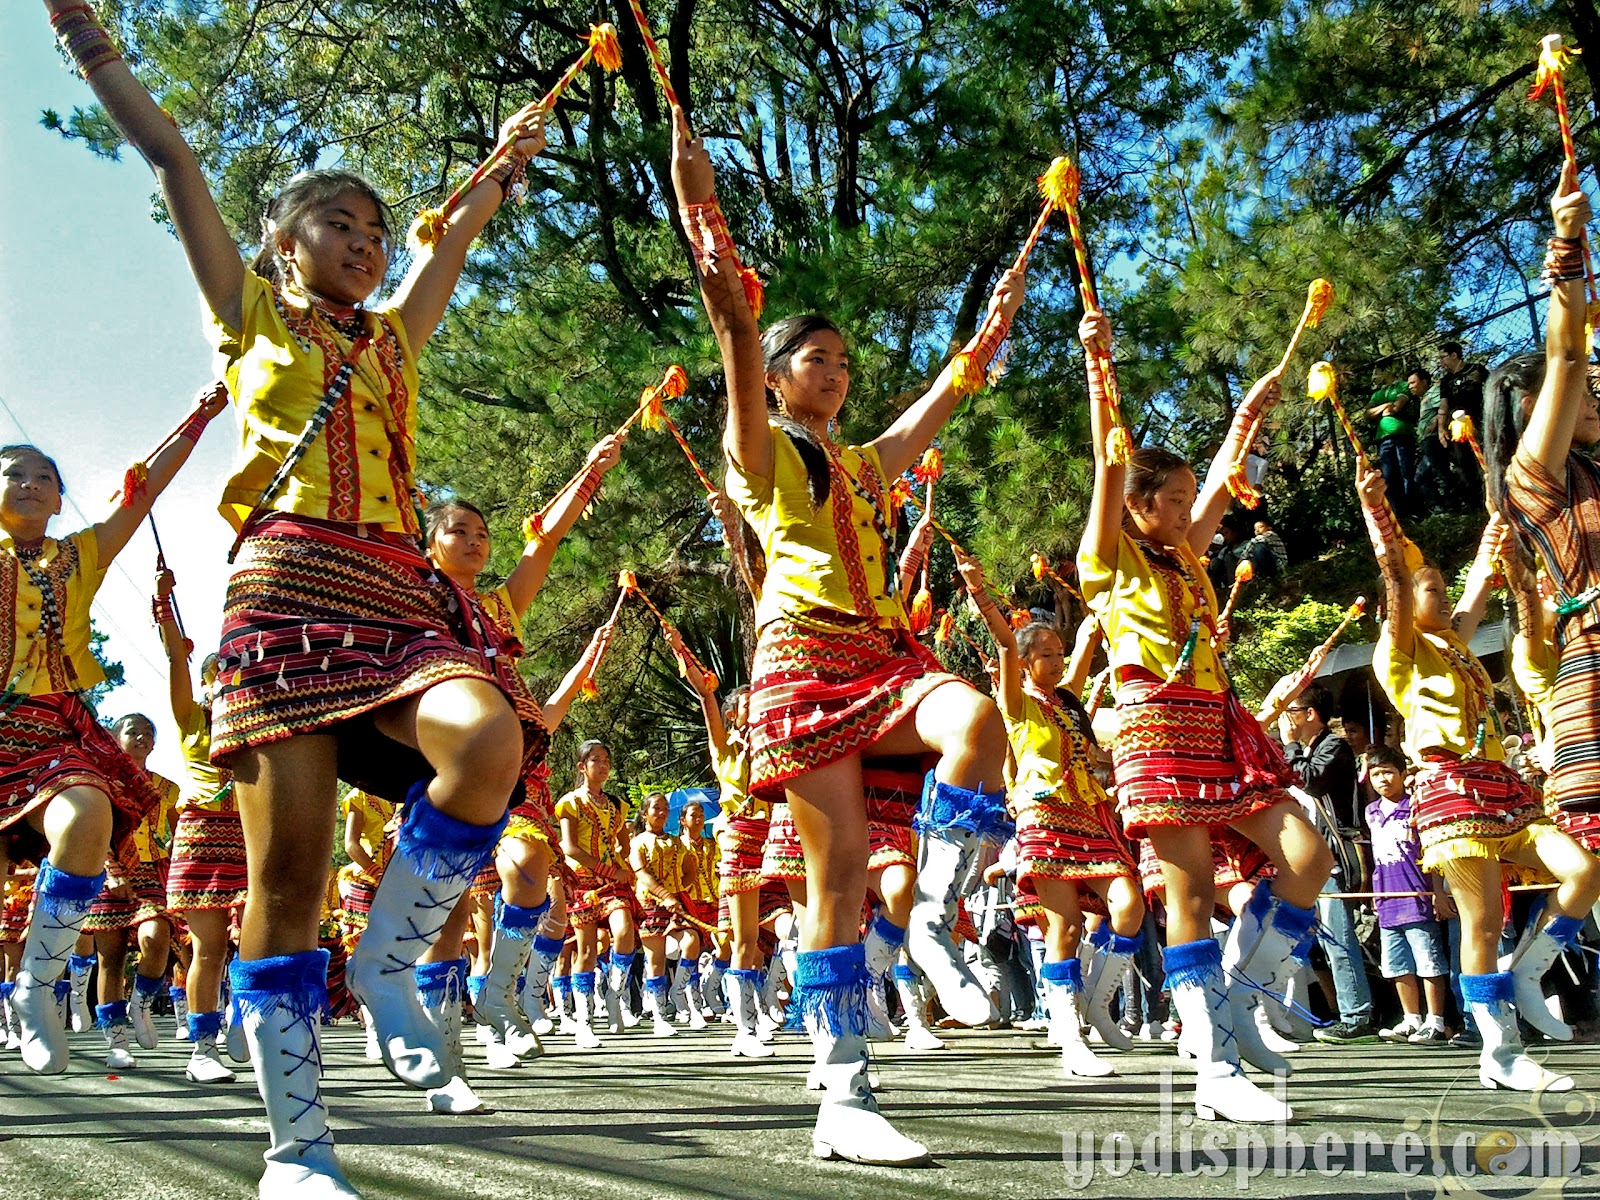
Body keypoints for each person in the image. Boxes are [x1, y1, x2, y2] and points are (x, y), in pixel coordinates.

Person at [43, 3, 554, 1189]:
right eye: (341, 223)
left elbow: (457, 239)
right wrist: (89, 44)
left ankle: (386, 967)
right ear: (285, 247)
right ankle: (299, 1147)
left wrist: (505, 167)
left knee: (487, 740)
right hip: (281, 593)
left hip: (394, 597)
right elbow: (175, 158)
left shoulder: (395, 341)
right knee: (285, 881)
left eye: (379, 228)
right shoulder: (252, 315)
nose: (368, 241)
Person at [672, 103, 1026, 1163]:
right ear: (778, 378)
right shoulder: (765, 454)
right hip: (804, 660)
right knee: (829, 888)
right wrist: (703, 216)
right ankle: (843, 1095)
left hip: (885, 660)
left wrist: (993, 327)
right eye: (813, 359)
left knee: (977, 721)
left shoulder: (867, 463)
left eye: (840, 362)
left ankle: (936, 918)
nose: (832, 373)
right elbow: (736, 327)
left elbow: (942, 400)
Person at [1077, 305, 1332, 1124]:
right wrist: (1098, 370)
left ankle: (1244, 994)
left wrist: (1255, 409)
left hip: (1223, 726)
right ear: (1140, 503)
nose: (1191, 511)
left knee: (1309, 857)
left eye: (1192, 498)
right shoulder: (1108, 556)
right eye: (1174, 499)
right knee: (1185, 898)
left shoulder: (1187, 555)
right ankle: (1214, 1067)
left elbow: (1228, 474)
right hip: (1156, 726)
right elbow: (1106, 464)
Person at [0, 372, 222, 1079]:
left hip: (52, 730)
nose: (28, 483)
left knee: (88, 813)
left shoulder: (79, 556)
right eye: (12, 474)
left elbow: (142, 493)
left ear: (60, 497)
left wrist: (198, 418)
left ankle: (38, 988)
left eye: (43, 476)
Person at [1361, 453, 1599, 1091]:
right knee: (1482, 923)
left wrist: (1500, 526)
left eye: (1441, 586)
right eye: (1430, 588)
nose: (1442, 593)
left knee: (1584, 870)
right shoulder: (1401, 650)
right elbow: (1401, 586)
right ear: (1410, 602)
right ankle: (1499, 1052)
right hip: (1449, 795)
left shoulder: (1457, 642)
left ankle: (1526, 974)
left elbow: (1480, 586)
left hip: (1506, 790)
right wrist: (1381, 521)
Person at [421, 485, 618, 1087]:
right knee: (448, 911)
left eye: (483, 533)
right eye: (459, 530)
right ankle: (444, 1048)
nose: (475, 540)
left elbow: (546, 542)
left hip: (514, 767)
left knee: (531, 863)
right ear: (428, 544)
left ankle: (498, 996)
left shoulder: (497, 611)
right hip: (443, 757)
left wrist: (587, 476)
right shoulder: (415, 602)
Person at [962, 591, 1144, 1078]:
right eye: (1047, 655)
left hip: (1088, 813)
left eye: (1061, 655)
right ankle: (1069, 1036)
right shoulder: (1016, 704)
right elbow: (1003, 647)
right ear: (1023, 663)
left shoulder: (1067, 703)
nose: (1058, 662)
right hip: (1043, 816)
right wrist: (981, 594)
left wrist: (1095, 625)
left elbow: (1084, 653)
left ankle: (1099, 1003)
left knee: (1129, 905)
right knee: (1061, 929)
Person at [154, 570, 247, 1084]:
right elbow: (176, 658)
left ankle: (243, 1014)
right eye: (216, 676)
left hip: (250, 832)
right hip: (201, 832)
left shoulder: (255, 717)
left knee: (259, 936)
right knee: (208, 948)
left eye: (232, 675)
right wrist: (166, 607)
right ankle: (203, 1049)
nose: (223, 683)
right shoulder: (191, 716)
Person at [80, 714, 180, 1069]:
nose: (141, 738)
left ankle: (141, 1003)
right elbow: (95, 829)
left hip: (150, 872)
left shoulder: (168, 789)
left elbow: (178, 837)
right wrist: (111, 869)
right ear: (115, 738)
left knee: (156, 937)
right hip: (108, 870)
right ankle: (115, 1039)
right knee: (111, 957)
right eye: (132, 732)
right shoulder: (100, 782)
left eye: (148, 733)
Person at [1279, 683, 1375, 1043]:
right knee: (1318, 941)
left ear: (1310, 715)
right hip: (1311, 857)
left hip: (1334, 854)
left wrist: (1290, 746)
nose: (1287, 718)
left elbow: (1310, 781)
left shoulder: (1332, 745)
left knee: (1339, 936)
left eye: (1293, 710)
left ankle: (1357, 1015)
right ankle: (1342, 1010)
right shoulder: (1308, 748)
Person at [1364, 746, 1452, 1046]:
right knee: (1396, 964)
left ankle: (1436, 1021)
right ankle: (1411, 1018)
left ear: (1403, 774)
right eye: (1376, 774)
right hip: (1387, 898)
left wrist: (1438, 892)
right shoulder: (1371, 812)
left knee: (1429, 961)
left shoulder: (1417, 807)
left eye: (1389, 772)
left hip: (1418, 895)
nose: (1382, 779)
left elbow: (1433, 851)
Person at [556, 740, 638, 1048]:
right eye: (595, 760)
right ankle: (584, 1023)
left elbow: (624, 842)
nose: (602, 765)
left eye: (606, 760)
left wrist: (624, 858)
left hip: (613, 883)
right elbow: (570, 847)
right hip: (582, 882)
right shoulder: (570, 803)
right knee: (586, 951)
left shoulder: (616, 804)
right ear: (582, 766)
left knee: (625, 929)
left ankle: (616, 993)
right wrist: (607, 870)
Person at [1438, 341, 1488, 507]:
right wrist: (1441, 428)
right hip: (1458, 428)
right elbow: (1443, 406)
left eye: (1443, 357)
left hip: (1480, 423)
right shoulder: (1445, 381)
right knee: (1464, 464)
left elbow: (1491, 391)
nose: (1441, 362)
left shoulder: (1476, 370)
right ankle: (1475, 503)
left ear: (1454, 355)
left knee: (1485, 458)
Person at [1367, 375, 1416, 519]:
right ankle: (1398, 515)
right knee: (1388, 477)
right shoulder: (1377, 394)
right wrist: (1385, 406)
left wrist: (1388, 408)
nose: (1376, 376)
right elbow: (1368, 414)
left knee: (1406, 472)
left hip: (1403, 435)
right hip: (1383, 439)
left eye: (1380, 372)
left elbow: (1398, 406)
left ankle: (1413, 509)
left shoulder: (1402, 386)